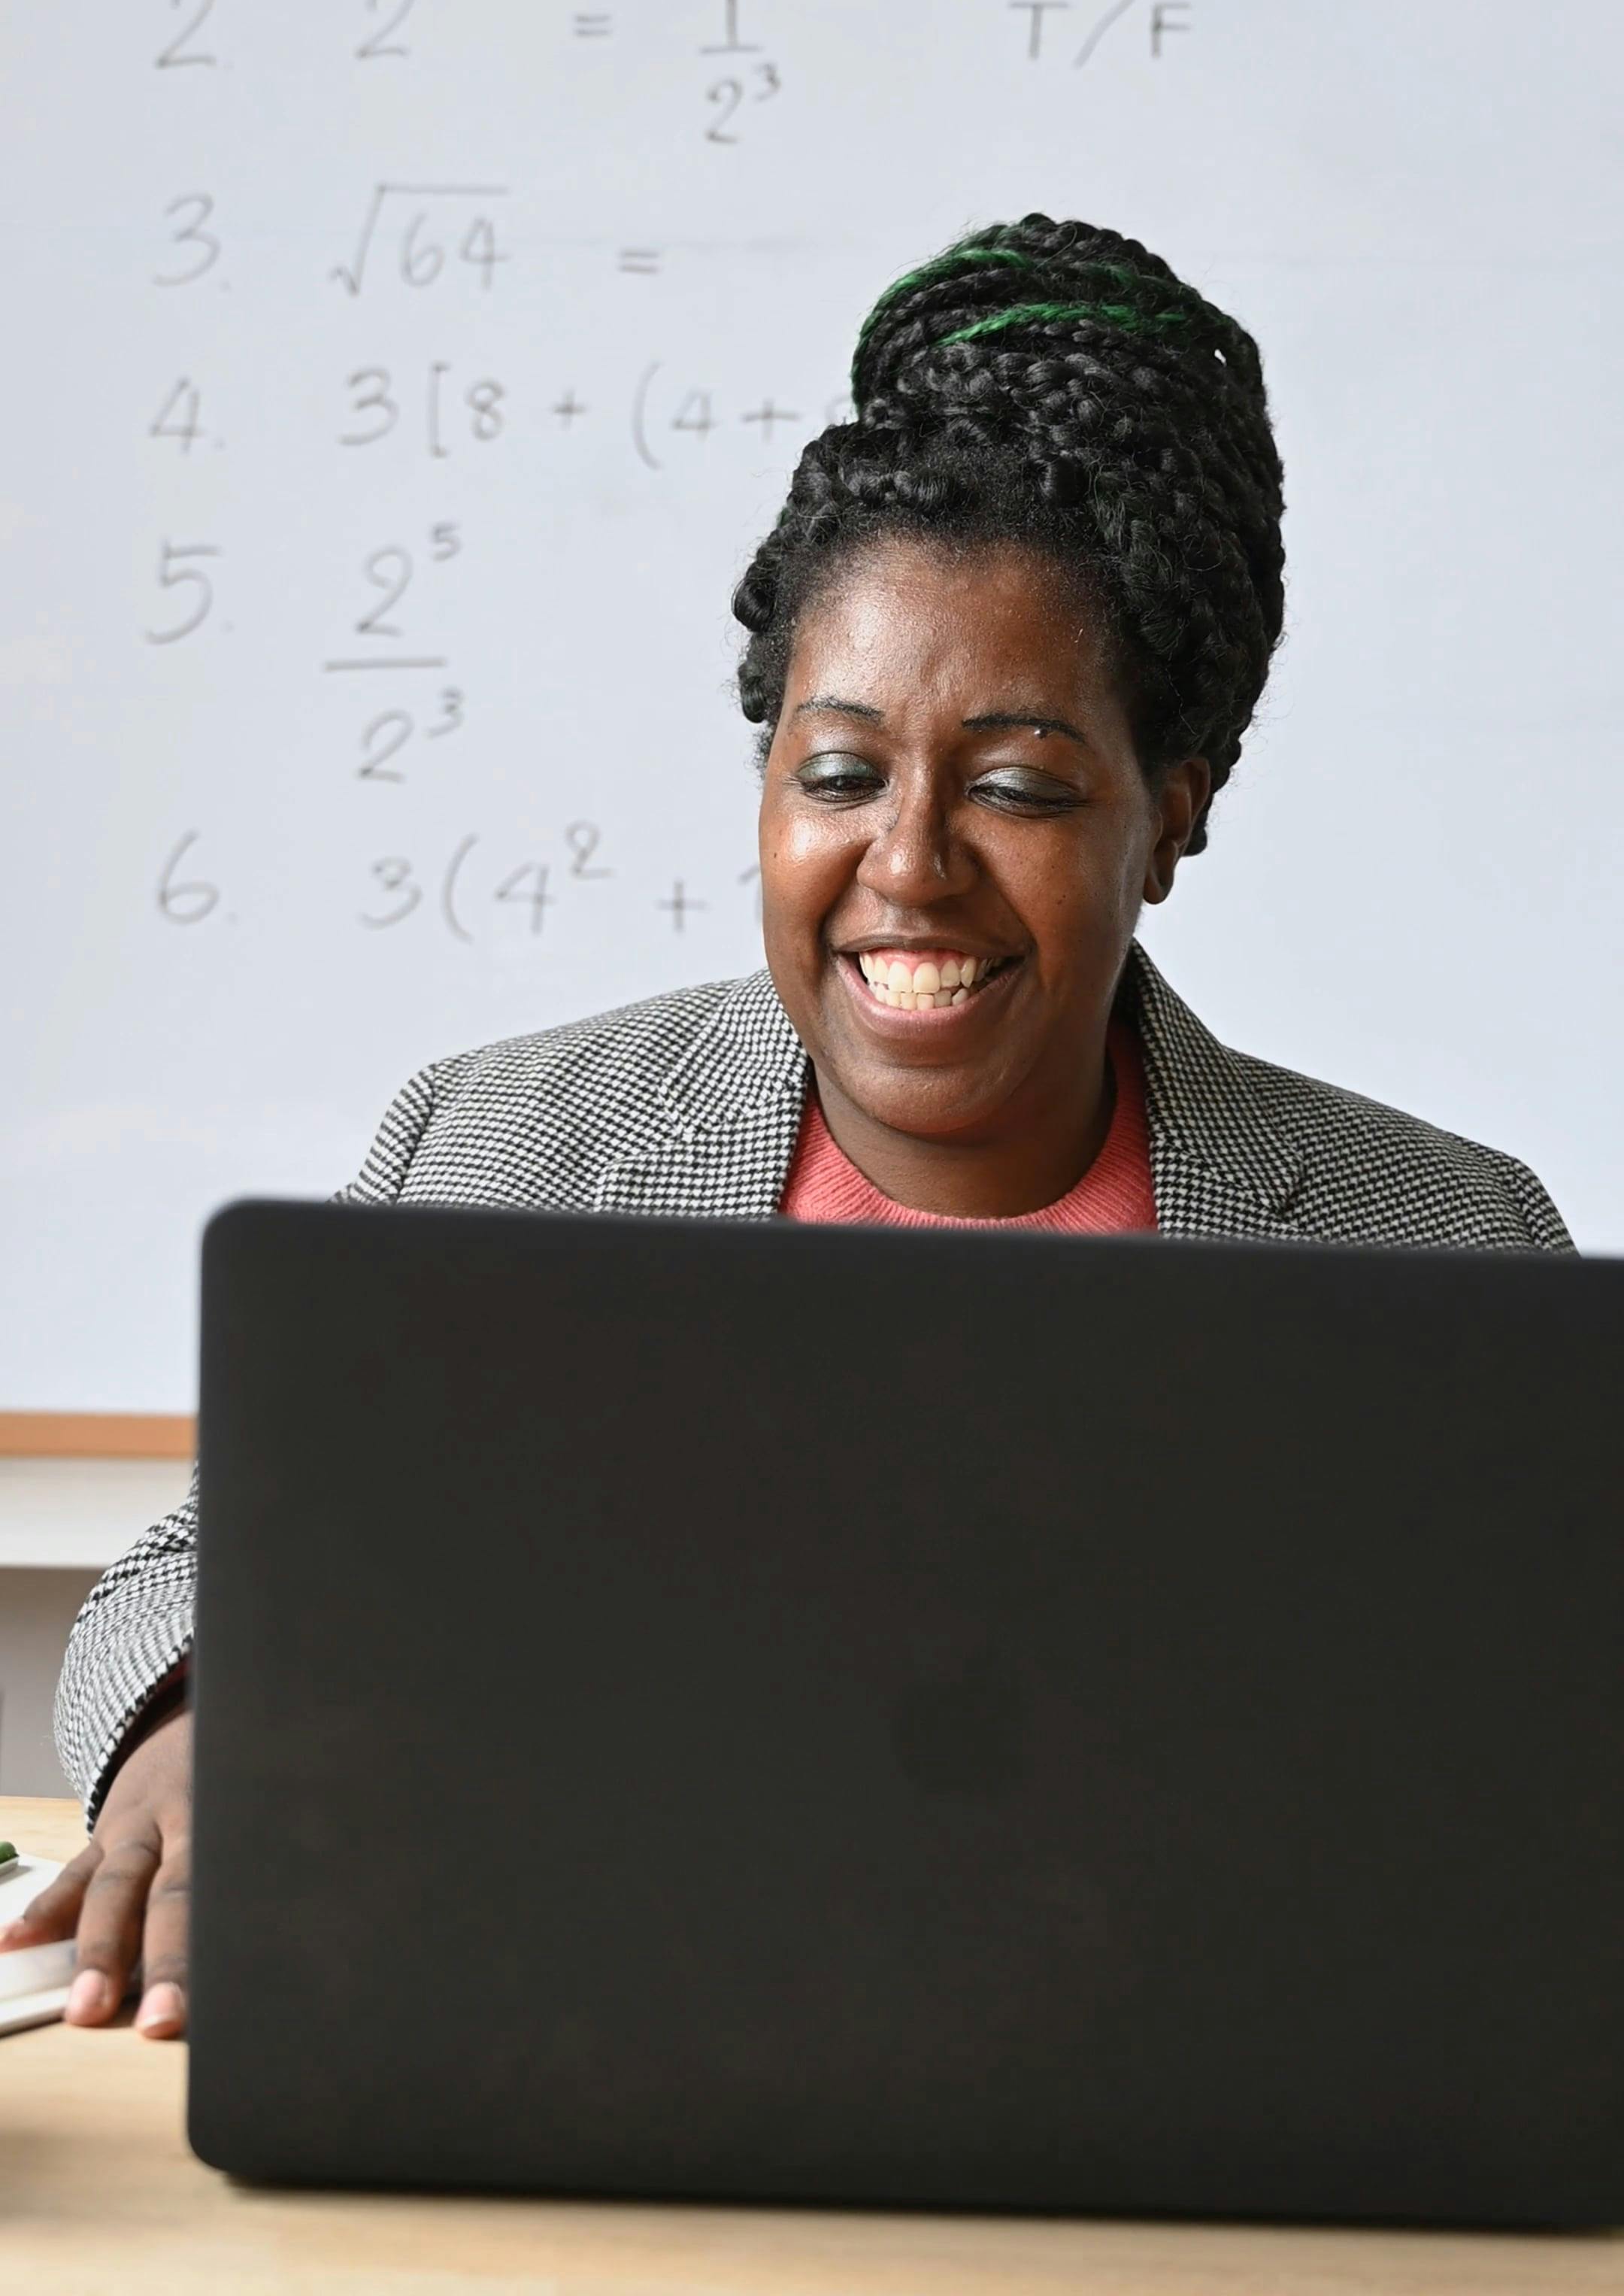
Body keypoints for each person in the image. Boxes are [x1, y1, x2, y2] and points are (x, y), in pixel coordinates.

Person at [4, 214, 1569, 2040]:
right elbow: (189, 1570)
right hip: (601, 2083)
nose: (906, 867)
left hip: (1216, 2100)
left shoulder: (1440, 1244)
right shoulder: (509, 1148)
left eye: (1017, 785)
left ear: (1172, 813)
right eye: (836, 773)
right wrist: (196, 1727)